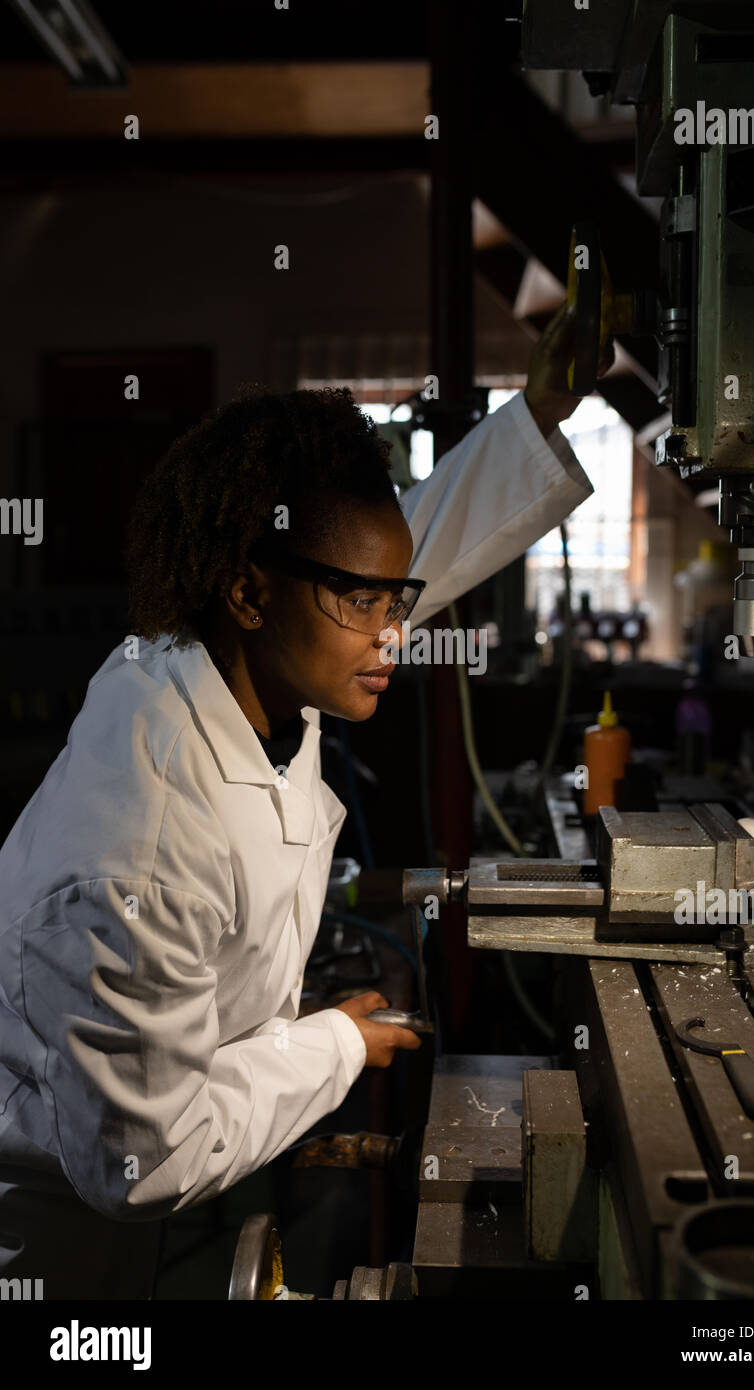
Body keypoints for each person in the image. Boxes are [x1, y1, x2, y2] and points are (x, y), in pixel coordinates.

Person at [0, 303, 600, 1298]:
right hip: (58, 1240)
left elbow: (388, 555)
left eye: (395, 602)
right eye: (366, 606)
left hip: (167, 1167)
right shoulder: (137, 847)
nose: (395, 635)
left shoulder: (248, 654)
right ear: (248, 591)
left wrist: (539, 410)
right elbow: (141, 1160)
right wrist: (331, 1044)